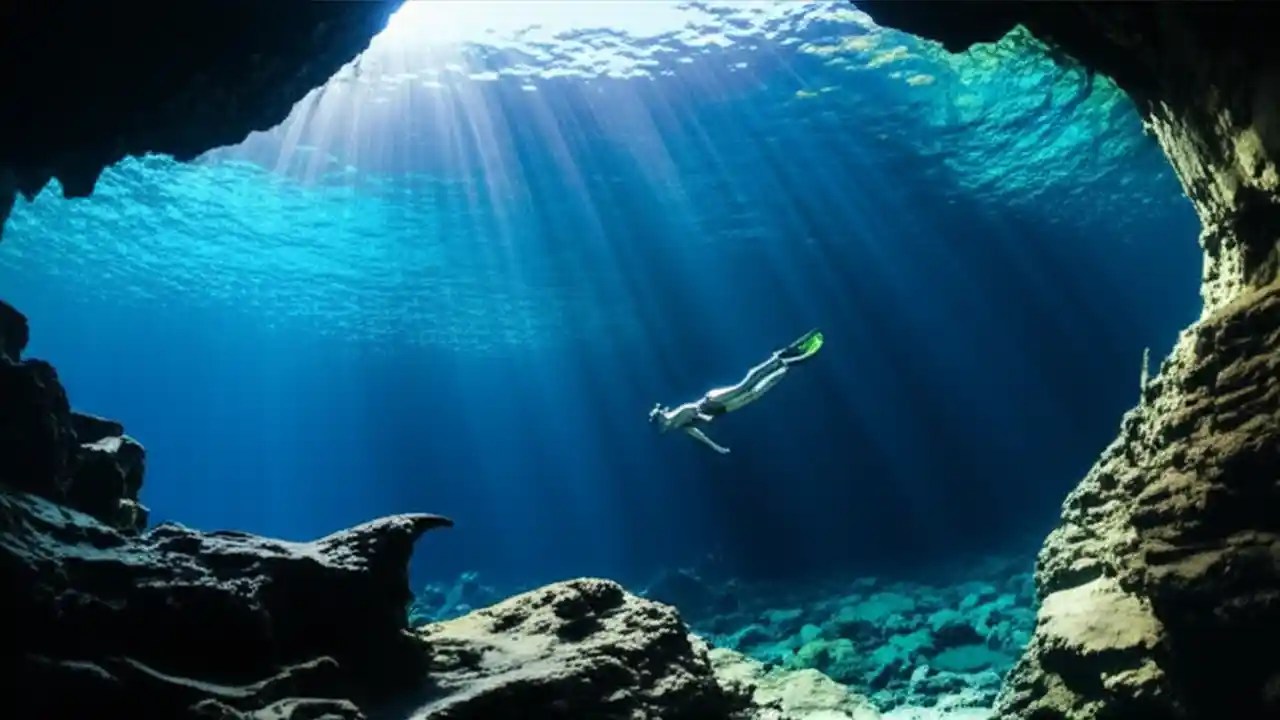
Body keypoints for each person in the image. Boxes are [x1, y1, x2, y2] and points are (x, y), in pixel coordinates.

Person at [649, 329, 824, 454]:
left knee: (744, 386)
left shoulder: (675, 418)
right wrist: (718, 448)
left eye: (660, 424)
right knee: (753, 394)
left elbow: (687, 411)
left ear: (661, 419)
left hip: (711, 401)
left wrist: (700, 418)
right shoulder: (681, 427)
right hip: (720, 410)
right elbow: (700, 436)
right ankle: (783, 368)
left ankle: (776, 359)